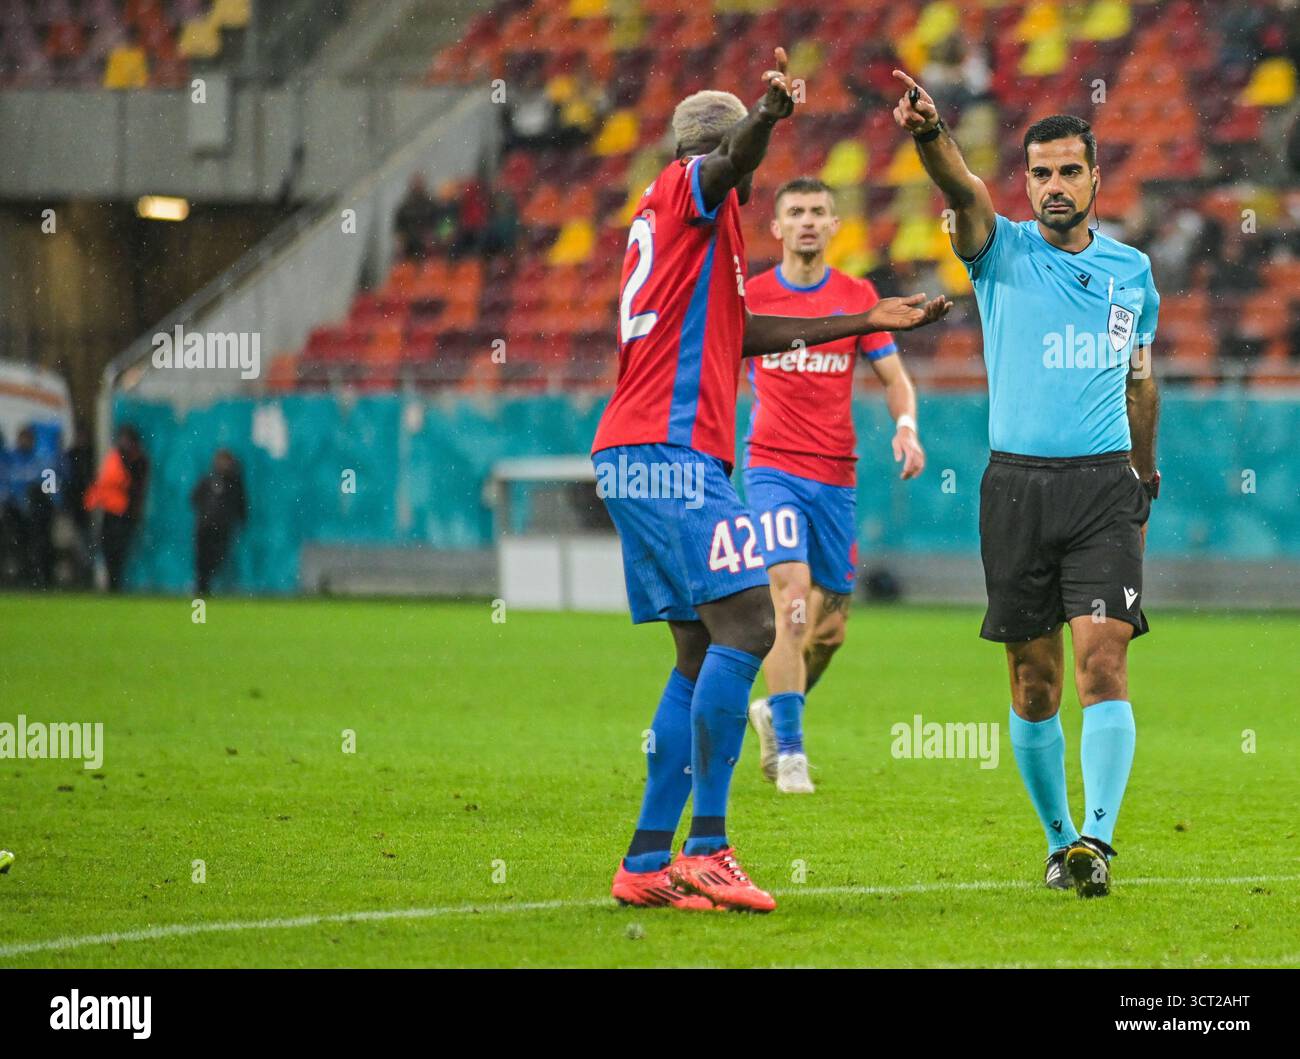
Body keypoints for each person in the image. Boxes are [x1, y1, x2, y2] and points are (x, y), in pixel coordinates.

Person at [592, 49, 950, 913]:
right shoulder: (690, 189)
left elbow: (748, 334)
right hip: (670, 454)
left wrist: (865, 315)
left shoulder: (698, 238)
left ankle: (646, 860)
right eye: (738, 158)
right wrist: (767, 115)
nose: (745, 173)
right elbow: (729, 158)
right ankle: (709, 845)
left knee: (698, 646)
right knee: (755, 620)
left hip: (643, 456)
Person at [892, 72, 1160, 897]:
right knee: (1033, 680)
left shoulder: (1132, 271)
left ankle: (1099, 844)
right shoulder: (996, 249)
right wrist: (931, 133)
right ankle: (1058, 841)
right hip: (1016, 488)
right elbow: (961, 188)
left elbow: (1139, 379)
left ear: (1093, 179)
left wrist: (1144, 473)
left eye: (1067, 172)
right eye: (1039, 173)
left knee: (1103, 660)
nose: (1052, 187)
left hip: (1104, 487)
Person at [742, 177, 926, 794]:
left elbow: (896, 379)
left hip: (835, 478)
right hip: (770, 469)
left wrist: (906, 428)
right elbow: (711, 364)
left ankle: (774, 709)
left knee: (828, 629)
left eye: (819, 211)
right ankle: (790, 753)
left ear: (835, 224)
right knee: (788, 594)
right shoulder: (753, 297)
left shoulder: (856, 297)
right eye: (795, 212)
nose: (808, 222)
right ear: (776, 227)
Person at [84, 425, 149, 592]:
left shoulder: (137, 461)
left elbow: (133, 486)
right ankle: (111, 584)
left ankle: (115, 584)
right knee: (108, 548)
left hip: (126, 512)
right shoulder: (115, 458)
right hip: (111, 510)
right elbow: (104, 482)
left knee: (119, 549)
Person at [191, 449, 247, 596]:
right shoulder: (208, 479)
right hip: (205, 526)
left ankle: (212, 586)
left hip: (222, 527)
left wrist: (240, 519)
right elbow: (195, 498)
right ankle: (202, 588)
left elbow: (241, 504)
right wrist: (206, 513)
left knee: (218, 557)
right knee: (203, 559)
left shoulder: (234, 483)